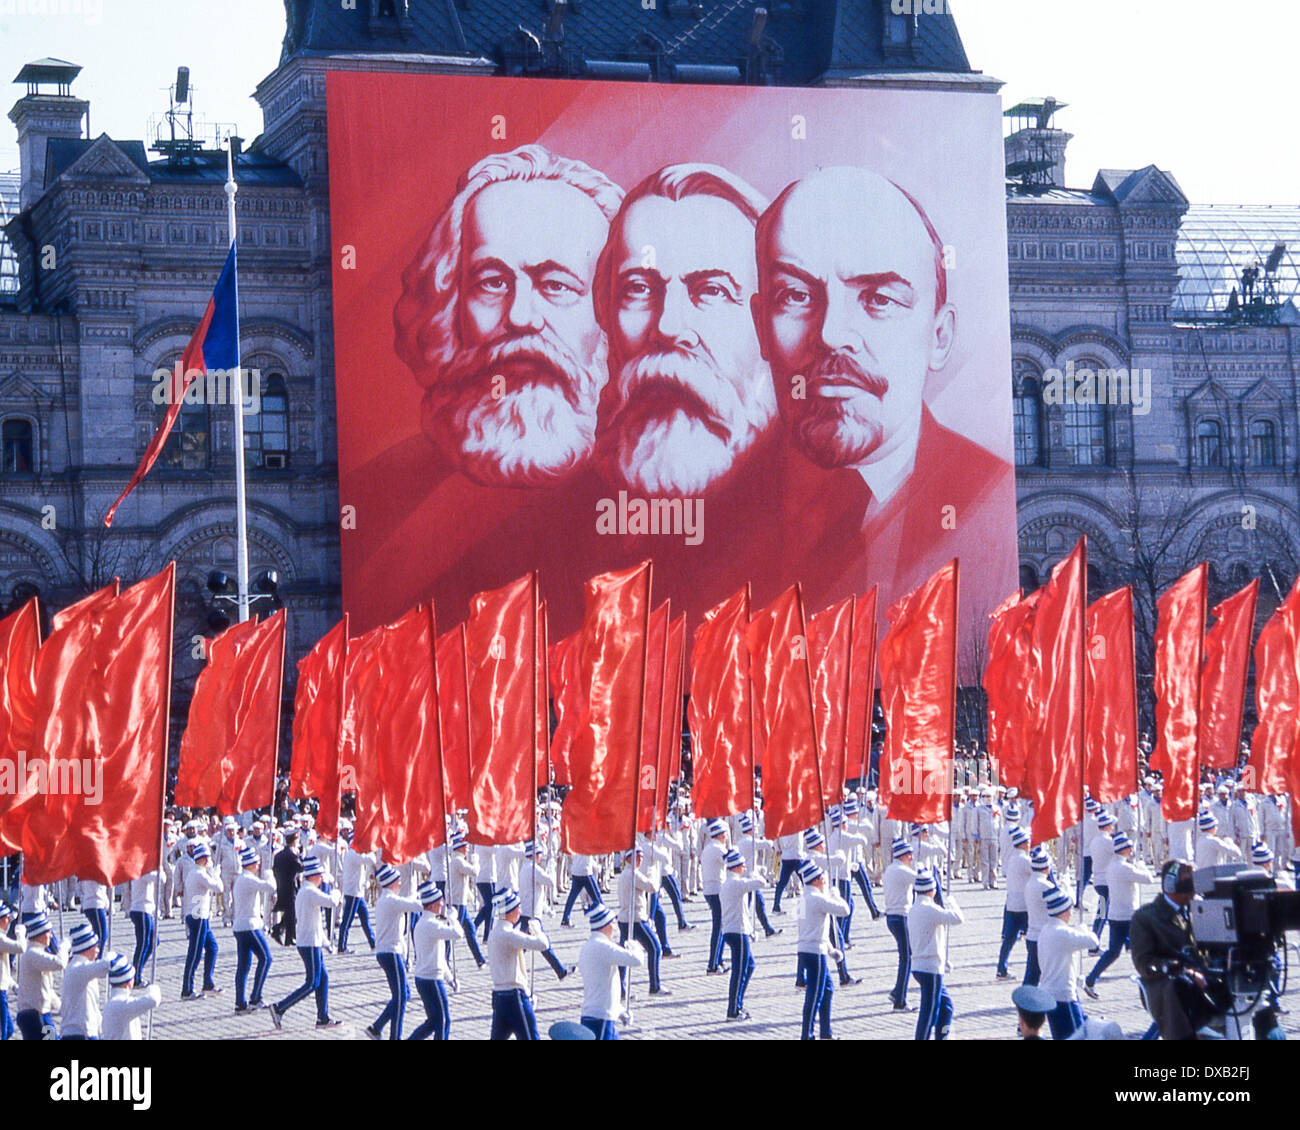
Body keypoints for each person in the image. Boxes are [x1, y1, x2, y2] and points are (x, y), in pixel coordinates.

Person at [751, 166, 1016, 617]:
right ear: (761, 327)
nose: (833, 334)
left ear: (939, 336)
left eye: (878, 299)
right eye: (795, 296)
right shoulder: (705, 521)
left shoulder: (988, 505)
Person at [1130, 860, 1202, 1041]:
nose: (1193, 890)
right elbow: (1144, 963)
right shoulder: (1146, 917)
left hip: (1203, 979)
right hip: (1166, 984)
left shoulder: (1197, 910)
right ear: (1170, 885)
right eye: (1188, 883)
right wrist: (1181, 969)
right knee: (1178, 988)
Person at [269, 855, 343, 1030]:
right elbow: (331, 902)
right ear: (313, 876)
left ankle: (322, 1017)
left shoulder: (307, 890)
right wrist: (337, 891)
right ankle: (280, 1007)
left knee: (323, 978)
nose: (322, 879)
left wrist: (325, 942)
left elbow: (316, 922)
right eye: (320, 875)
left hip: (313, 941)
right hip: (309, 943)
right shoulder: (309, 891)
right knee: (312, 982)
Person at [1084, 832, 1153, 998]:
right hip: (1127, 913)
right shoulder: (1125, 867)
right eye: (1129, 848)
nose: (1131, 850)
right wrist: (1141, 866)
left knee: (1114, 951)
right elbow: (1149, 879)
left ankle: (1091, 978)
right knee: (1142, 948)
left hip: (1111, 906)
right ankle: (1151, 981)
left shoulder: (1111, 863)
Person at [365, 862, 424, 1040]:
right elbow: (415, 906)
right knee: (400, 998)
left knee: (404, 993)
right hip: (391, 952)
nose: (400, 884)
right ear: (391, 882)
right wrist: (426, 896)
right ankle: (394, 1036)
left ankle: (377, 1027)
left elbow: (409, 901)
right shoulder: (391, 900)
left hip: (388, 951)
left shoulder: (386, 899)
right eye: (398, 881)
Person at [487, 888, 551, 1040]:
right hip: (514, 996)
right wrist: (538, 930)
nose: (521, 912)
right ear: (511, 911)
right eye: (518, 908)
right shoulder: (509, 934)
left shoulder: (494, 933)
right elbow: (543, 944)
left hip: (499, 995)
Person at [795, 860, 848, 1041]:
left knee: (827, 989)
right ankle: (807, 1035)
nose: (825, 881)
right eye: (822, 878)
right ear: (816, 880)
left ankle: (826, 1032)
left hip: (806, 948)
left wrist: (831, 949)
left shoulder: (802, 899)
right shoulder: (817, 898)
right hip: (815, 951)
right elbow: (844, 910)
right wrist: (836, 895)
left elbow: (810, 926)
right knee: (815, 995)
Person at [907, 868, 963, 1040]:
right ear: (931, 890)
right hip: (929, 968)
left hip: (924, 965)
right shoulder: (928, 909)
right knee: (929, 1014)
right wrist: (952, 902)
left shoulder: (915, 908)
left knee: (946, 1007)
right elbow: (957, 918)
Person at [576, 902, 644, 1041]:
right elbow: (636, 960)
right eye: (613, 923)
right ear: (605, 925)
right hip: (601, 1019)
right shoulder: (603, 946)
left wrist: (620, 1011)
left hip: (596, 1014)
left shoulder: (588, 946)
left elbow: (603, 987)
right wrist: (635, 947)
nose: (615, 928)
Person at [1037, 887, 1098, 1040]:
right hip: (1063, 995)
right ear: (1063, 911)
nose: (1071, 913)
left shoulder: (1045, 930)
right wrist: (1083, 929)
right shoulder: (1063, 933)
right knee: (1076, 1036)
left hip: (1049, 991)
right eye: (1069, 909)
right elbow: (1093, 941)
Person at [409, 882, 460, 1041]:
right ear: (432, 905)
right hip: (431, 979)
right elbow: (458, 933)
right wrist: (453, 919)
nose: (442, 904)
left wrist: (450, 978)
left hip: (425, 977)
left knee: (433, 1021)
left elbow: (439, 956)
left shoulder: (427, 922)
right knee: (443, 1021)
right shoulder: (430, 924)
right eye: (440, 901)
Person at [719, 847, 765, 1021]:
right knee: (739, 971)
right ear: (736, 866)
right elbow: (761, 883)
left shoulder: (730, 883)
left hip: (736, 929)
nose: (745, 868)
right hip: (737, 931)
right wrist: (756, 873)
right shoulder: (735, 883)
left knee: (750, 965)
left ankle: (738, 1002)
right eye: (743, 865)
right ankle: (732, 1010)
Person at [617, 846, 667, 997]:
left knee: (624, 954)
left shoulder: (627, 873)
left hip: (626, 918)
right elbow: (652, 887)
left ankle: (621, 989)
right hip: (636, 919)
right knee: (655, 948)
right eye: (637, 857)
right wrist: (653, 874)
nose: (640, 860)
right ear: (628, 859)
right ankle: (654, 986)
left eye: (642, 857)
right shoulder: (633, 874)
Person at [232, 845, 276, 1014]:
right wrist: (269, 874)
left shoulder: (242, 879)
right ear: (251, 864)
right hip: (249, 926)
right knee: (266, 958)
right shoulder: (248, 879)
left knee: (243, 966)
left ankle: (240, 1003)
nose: (258, 866)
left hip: (240, 926)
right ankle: (255, 997)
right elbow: (271, 888)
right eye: (256, 863)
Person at [517, 842, 570, 980]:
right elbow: (550, 882)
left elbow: (537, 893)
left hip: (529, 910)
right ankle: (512, 969)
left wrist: (546, 909)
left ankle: (560, 971)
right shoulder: (534, 868)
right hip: (532, 914)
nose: (541, 856)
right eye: (539, 854)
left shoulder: (524, 868)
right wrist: (551, 868)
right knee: (534, 945)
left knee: (539, 945)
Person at [14, 913, 67, 1039]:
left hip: (35, 1014)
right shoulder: (33, 954)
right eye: (48, 932)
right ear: (40, 934)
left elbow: (45, 987)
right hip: (36, 1015)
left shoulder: (34, 953)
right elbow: (59, 963)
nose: (51, 935)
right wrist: (63, 947)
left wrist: (60, 1006)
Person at [180, 843, 222, 1000]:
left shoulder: (196, 872)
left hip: (201, 916)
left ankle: (208, 983)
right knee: (195, 953)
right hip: (198, 917)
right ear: (203, 859)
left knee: (212, 947)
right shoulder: (199, 874)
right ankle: (187, 989)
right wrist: (216, 873)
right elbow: (219, 887)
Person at [59, 923, 113, 1040]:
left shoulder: (81, 967)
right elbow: (104, 967)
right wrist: (112, 957)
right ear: (87, 948)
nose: (98, 950)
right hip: (80, 1032)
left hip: (83, 1030)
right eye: (96, 947)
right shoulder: (79, 968)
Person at [882, 837, 917, 1011]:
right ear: (902, 855)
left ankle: (897, 991)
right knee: (907, 958)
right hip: (901, 916)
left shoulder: (891, 868)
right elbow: (922, 880)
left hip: (893, 916)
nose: (912, 857)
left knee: (907, 955)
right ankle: (900, 1001)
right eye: (909, 854)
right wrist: (926, 867)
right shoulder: (901, 870)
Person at [996, 827, 1032, 979]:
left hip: (1011, 903)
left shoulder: (1012, 858)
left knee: (1009, 939)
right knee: (1032, 939)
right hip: (1023, 905)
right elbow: (1042, 870)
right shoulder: (1024, 859)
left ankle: (1001, 967)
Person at [337, 824, 376, 953]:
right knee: (347, 920)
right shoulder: (353, 854)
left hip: (358, 892)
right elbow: (371, 859)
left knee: (365, 920)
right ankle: (341, 946)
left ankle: (373, 944)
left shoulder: (355, 854)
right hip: (353, 892)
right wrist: (370, 849)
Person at [1023, 847, 1055, 986]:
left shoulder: (1031, 883)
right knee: (1101, 911)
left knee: (1033, 974)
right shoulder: (1045, 885)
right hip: (1103, 890)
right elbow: (1063, 905)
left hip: (1033, 933)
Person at [700, 819, 729, 974]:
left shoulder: (708, 848)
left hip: (710, 889)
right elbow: (732, 864)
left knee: (721, 926)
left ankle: (719, 960)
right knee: (719, 928)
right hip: (717, 889)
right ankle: (712, 964)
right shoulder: (718, 849)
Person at [271, 828, 302, 946]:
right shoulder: (292, 855)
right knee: (293, 913)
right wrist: (300, 856)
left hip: (282, 885)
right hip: (290, 886)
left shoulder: (278, 855)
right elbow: (300, 868)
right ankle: (285, 934)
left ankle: (283, 933)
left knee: (290, 912)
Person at [126, 871, 157, 989]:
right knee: (143, 944)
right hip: (141, 910)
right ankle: (136, 977)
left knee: (154, 941)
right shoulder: (142, 870)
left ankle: (137, 970)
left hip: (146, 910)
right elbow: (161, 878)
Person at [561, 852, 603, 926]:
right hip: (586, 871)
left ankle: (565, 918)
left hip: (576, 870)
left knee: (572, 897)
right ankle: (604, 915)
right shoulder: (586, 842)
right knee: (596, 896)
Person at [0, 900, 22, 1041]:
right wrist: (20, 934)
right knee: (4, 1031)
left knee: (9, 1029)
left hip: (3, 988)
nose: (9, 921)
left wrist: (13, 985)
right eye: (7, 918)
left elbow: (4, 969)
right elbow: (20, 948)